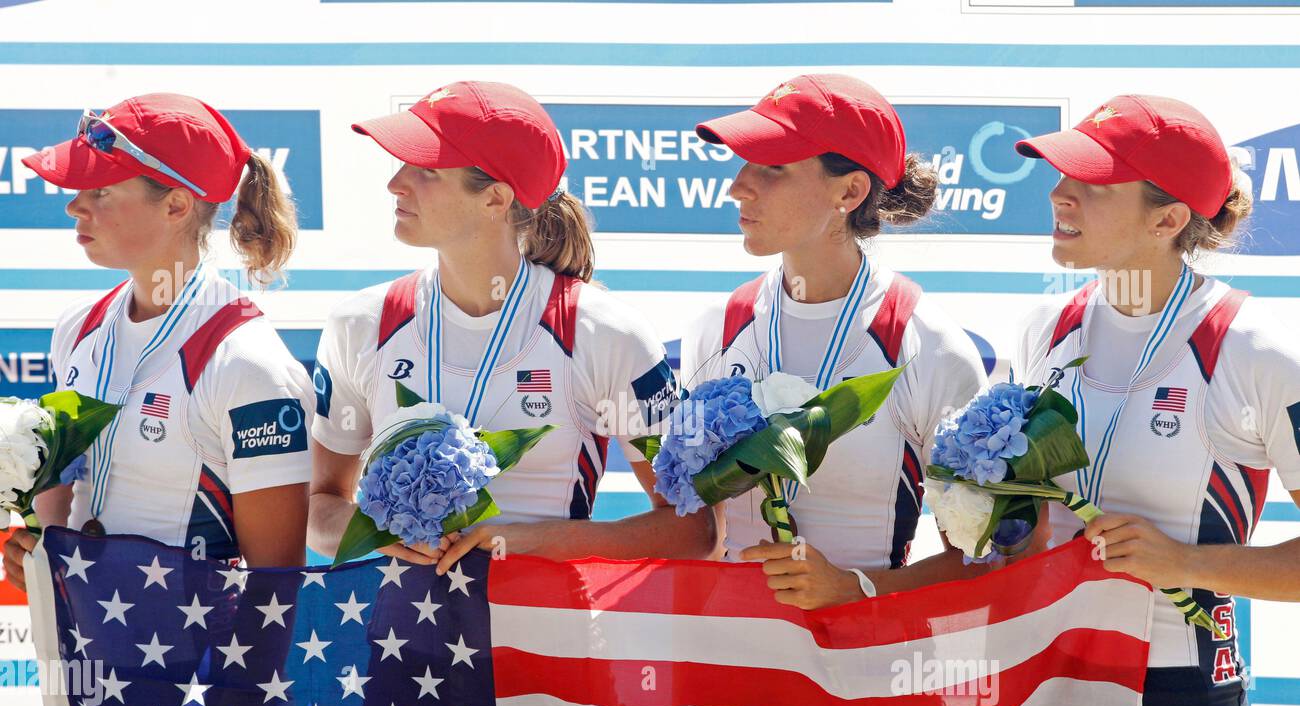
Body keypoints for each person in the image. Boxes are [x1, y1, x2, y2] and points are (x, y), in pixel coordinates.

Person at [1012, 95, 1300, 706]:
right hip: (1050, 695)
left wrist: (1182, 561)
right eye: (1062, 176)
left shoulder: (1256, 349)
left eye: (1094, 185)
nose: (1059, 195)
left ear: (1168, 219)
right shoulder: (1047, 328)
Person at [308, 81, 717, 571]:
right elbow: (319, 508)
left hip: (551, 638)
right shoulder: (361, 324)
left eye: (424, 171)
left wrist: (528, 540)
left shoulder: (604, 333)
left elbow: (693, 530)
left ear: (495, 198)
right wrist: (377, 536)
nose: (395, 183)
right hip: (402, 639)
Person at [679, 74, 988, 610]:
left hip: (866, 672)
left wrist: (854, 589)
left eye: (772, 168)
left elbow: (986, 561)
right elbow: (689, 527)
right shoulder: (714, 328)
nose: (738, 187)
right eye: (743, 163)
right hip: (730, 667)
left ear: (849, 191)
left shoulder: (930, 347)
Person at [2, 92, 312, 589]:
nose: (73, 204)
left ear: (175, 205)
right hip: (79, 655)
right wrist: (39, 556)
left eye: (100, 191)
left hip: (199, 662)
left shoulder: (249, 364)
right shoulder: (77, 327)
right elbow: (55, 526)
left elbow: (275, 591)